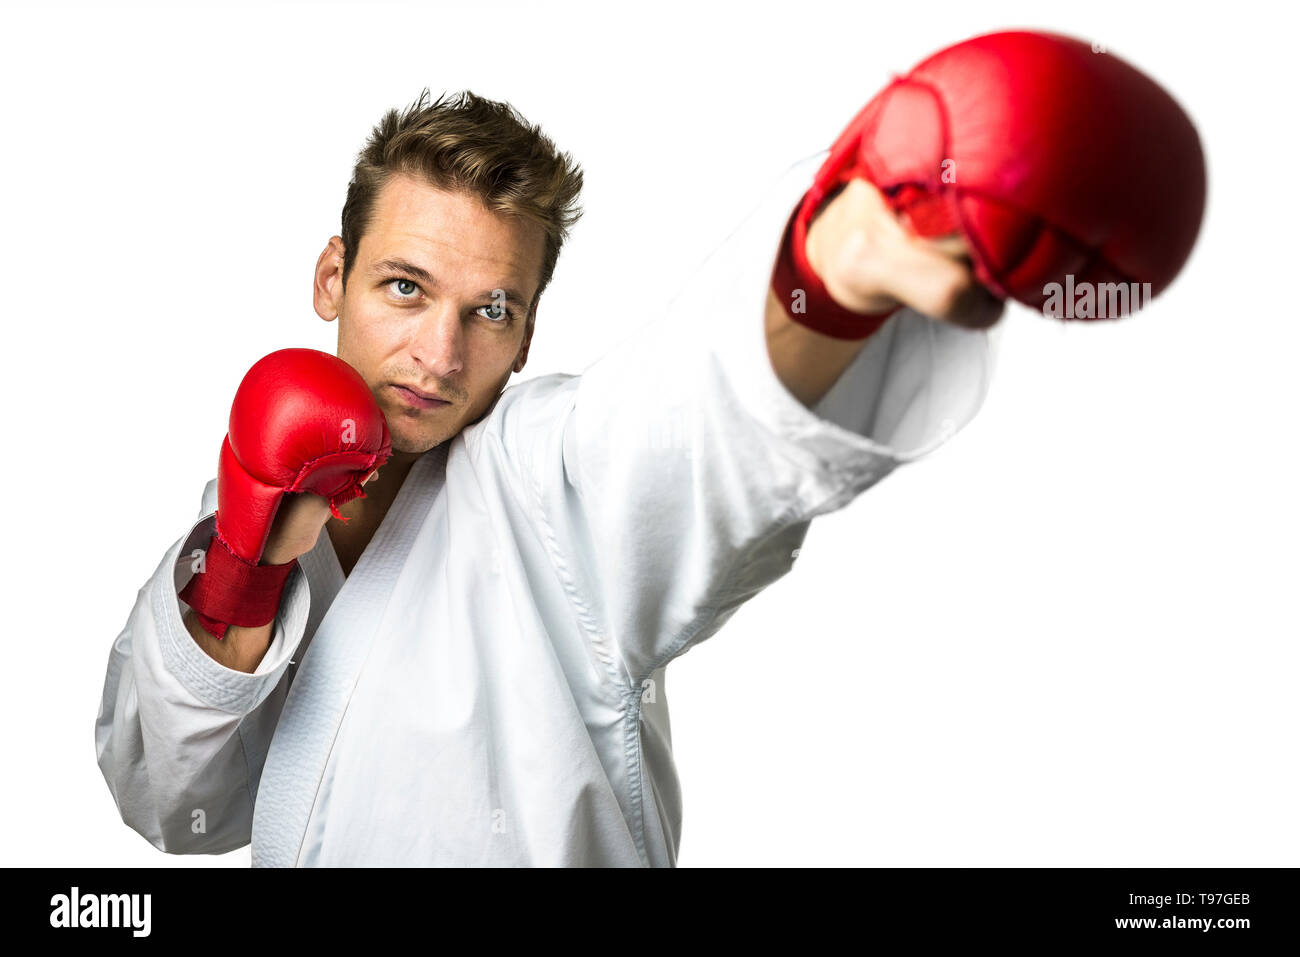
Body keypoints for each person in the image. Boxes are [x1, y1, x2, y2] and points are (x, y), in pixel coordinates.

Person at [93, 86, 1002, 867]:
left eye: (490, 309)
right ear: (334, 276)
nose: (439, 356)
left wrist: (827, 278)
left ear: (526, 333)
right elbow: (173, 804)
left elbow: (687, 429)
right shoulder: (259, 487)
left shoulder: (546, 483)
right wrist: (246, 573)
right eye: (404, 287)